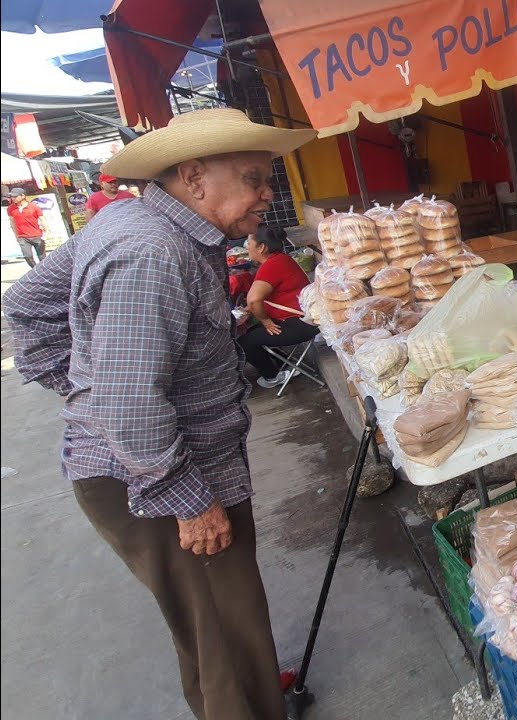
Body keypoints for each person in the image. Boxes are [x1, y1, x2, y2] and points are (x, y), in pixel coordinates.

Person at [2, 107, 315, 720]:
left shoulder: (135, 220)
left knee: (216, 621)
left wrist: (86, 383)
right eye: (253, 178)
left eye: (268, 178)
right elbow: (129, 402)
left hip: (158, 465)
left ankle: (248, 688)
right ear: (194, 176)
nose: (267, 194)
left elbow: (27, 305)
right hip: (159, 478)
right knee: (219, 622)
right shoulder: (151, 251)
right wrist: (186, 497)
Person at [237, 225, 319, 388]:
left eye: (248, 243)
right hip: (297, 319)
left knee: (245, 342)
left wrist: (266, 321)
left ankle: (272, 376)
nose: (247, 248)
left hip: (300, 324)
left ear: (261, 247)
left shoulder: (273, 265)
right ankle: (285, 366)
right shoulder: (280, 260)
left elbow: (254, 300)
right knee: (251, 332)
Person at [6, 188, 47, 267]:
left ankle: (46, 271)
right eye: (12, 197)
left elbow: (42, 220)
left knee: (42, 256)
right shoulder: (10, 208)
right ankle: (35, 271)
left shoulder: (34, 207)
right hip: (22, 237)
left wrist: (46, 233)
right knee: (27, 256)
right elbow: (12, 222)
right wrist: (16, 235)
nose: (13, 199)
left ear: (23, 196)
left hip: (37, 235)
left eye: (15, 196)